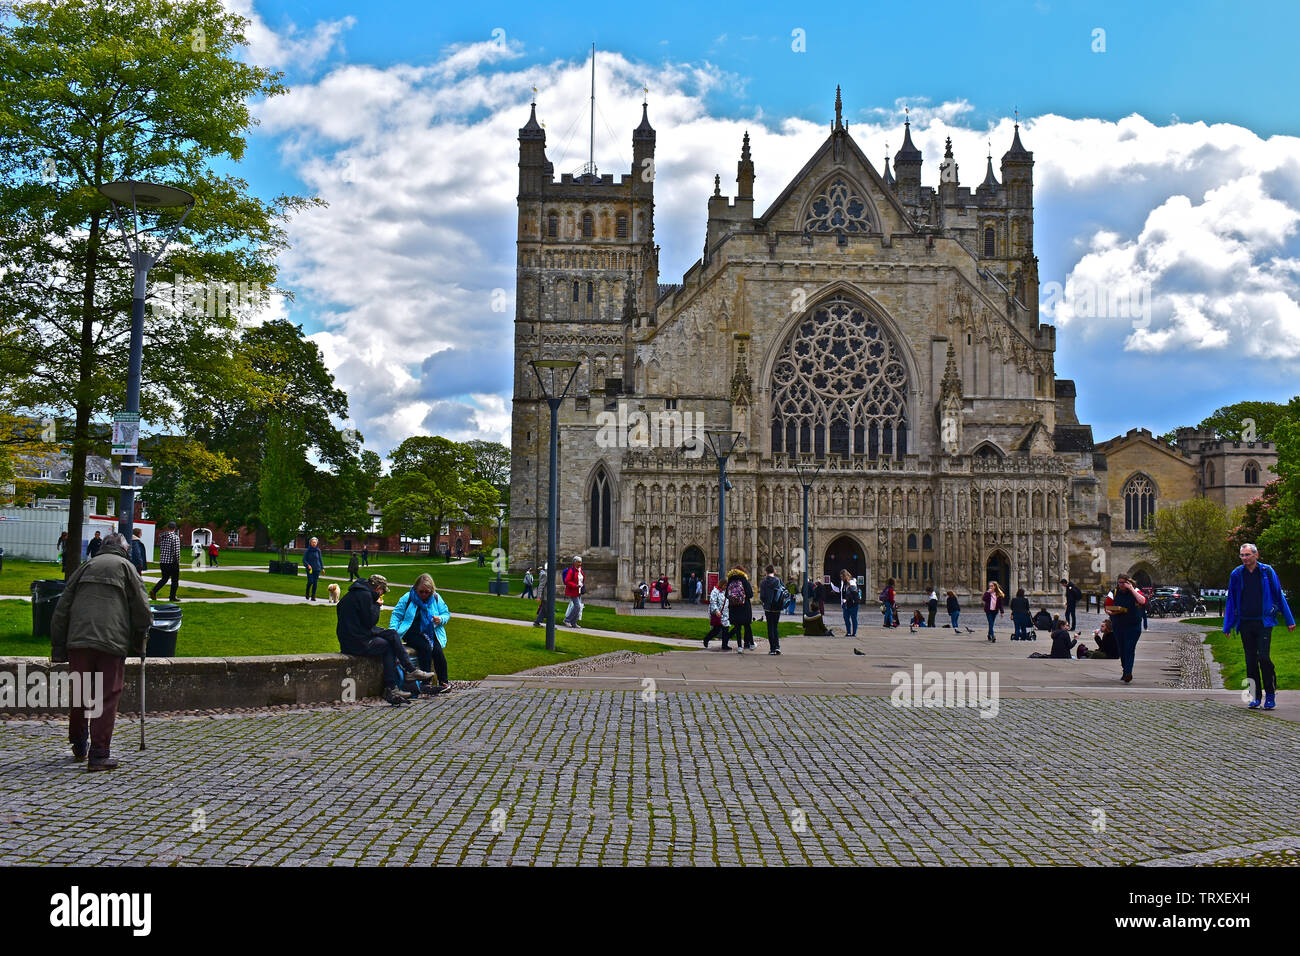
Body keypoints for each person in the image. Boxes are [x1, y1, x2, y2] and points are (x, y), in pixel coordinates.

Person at [50, 532, 150, 771]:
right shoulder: (127, 568)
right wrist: (140, 638)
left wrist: (59, 647)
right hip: (111, 642)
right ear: (124, 550)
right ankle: (99, 754)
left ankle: (78, 742)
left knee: (81, 693)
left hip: (79, 641)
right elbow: (143, 609)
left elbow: (62, 609)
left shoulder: (85, 567)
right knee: (106, 697)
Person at [336, 574, 435, 705]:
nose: (381, 595)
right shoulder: (366, 597)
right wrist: (377, 605)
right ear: (378, 589)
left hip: (351, 639)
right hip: (356, 643)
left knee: (392, 635)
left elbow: (359, 624)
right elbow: (370, 621)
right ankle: (400, 681)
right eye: (382, 592)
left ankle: (402, 679)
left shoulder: (352, 595)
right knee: (388, 644)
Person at [1223, 543, 1295, 710]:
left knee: (1263, 657)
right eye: (1242, 555)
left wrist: (1289, 619)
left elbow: (1278, 594)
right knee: (1250, 661)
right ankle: (1255, 696)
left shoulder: (1266, 572)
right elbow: (1231, 600)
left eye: (1247, 555)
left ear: (1256, 555)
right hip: (1245, 622)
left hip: (1263, 622)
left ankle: (1270, 694)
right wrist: (1228, 625)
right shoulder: (1237, 574)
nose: (1245, 559)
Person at [390, 573, 452, 695]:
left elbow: (446, 613)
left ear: (431, 591)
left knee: (438, 651)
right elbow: (396, 614)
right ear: (415, 588)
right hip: (412, 631)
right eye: (421, 592)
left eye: (426, 592)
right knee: (425, 648)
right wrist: (393, 630)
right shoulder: (408, 597)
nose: (423, 595)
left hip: (430, 630)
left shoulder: (436, 598)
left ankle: (443, 681)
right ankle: (426, 682)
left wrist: (440, 619)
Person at [1105, 573, 1147, 683]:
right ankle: (1125, 670)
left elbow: (1142, 601)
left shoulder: (1135, 590)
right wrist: (1110, 612)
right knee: (1122, 649)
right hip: (1118, 625)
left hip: (1133, 625)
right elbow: (1107, 606)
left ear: (1128, 582)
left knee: (1129, 648)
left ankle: (1128, 672)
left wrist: (1131, 589)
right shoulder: (1113, 592)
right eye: (1120, 583)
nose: (1122, 585)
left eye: (1124, 583)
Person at [724, 566, 754, 653]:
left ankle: (740, 647)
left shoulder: (730, 581)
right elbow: (750, 594)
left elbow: (726, 595)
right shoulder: (744, 580)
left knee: (737, 628)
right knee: (747, 625)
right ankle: (751, 644)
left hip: (734, 608)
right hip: (744, 607)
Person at [150, 521, 182, 603]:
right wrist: (177, 561)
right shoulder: (175, 537)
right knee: (175, 580)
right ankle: (172, 597)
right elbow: (176, 551)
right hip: (172, 562)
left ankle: (154, 590)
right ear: (175, 528)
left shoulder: (162, 536)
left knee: (164, 578)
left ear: (168, 528)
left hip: (163, 561)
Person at [758, 565, 787, 655]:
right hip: (777, 607)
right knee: (775, 627)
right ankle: (777, 647)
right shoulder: (778, 581)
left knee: (770, 627)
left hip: (768, 608)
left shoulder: (763, 583)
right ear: (774, 571)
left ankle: (772, 648)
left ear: (766, 572)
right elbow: (783, 592)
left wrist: (765, 602)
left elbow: (762, 596)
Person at [831, 569, 860, 637]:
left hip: (853, 604)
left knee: (853, 618)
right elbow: (843, 592)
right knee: (846, 618)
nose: (841, 578)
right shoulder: (842, 583)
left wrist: (846, 599)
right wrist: (836, 590)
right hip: (845, 603)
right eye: (841, 576)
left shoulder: (852, 582)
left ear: (846, 576)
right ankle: (848, 632)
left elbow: (852, 593)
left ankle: (854, 633)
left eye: (842, 576)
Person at [705, 580, 731, 648]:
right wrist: (716, 611)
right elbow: (713, 602)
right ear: (721, 585)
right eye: (724, 585)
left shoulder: (726, 592)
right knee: (716, 630)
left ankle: (725, 645)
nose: (725, 587)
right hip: (718, 614)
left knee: (726, 629)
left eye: (726, 586)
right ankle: (706, 639)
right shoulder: (715, 591)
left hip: (725, 613)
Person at [562, 556, 584, 627]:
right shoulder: (572, 570)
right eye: (578, 562)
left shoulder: (580, 570)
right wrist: (575, 585)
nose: (580, 563)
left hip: (579, 591)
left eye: (581, 562)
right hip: (573, 591)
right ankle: (567, 620)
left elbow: (581, 579)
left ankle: (573, 622)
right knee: (577, 606)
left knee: (579, 607)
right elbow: (567, 581)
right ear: (574, 562)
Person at [302, 536, 324, 602]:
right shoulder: (307, 551)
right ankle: (307, 592)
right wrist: (308, 565)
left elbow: (320, 559)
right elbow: (304, 560)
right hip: (310, 569)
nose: (314, 543)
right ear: (310, 543)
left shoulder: (318, 551)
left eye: (315, 542)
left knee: (315, 582)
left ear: (317, 543)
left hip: (317, 568)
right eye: (313, 542)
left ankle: (313, 596)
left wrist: (322, 568)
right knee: (310, 581)